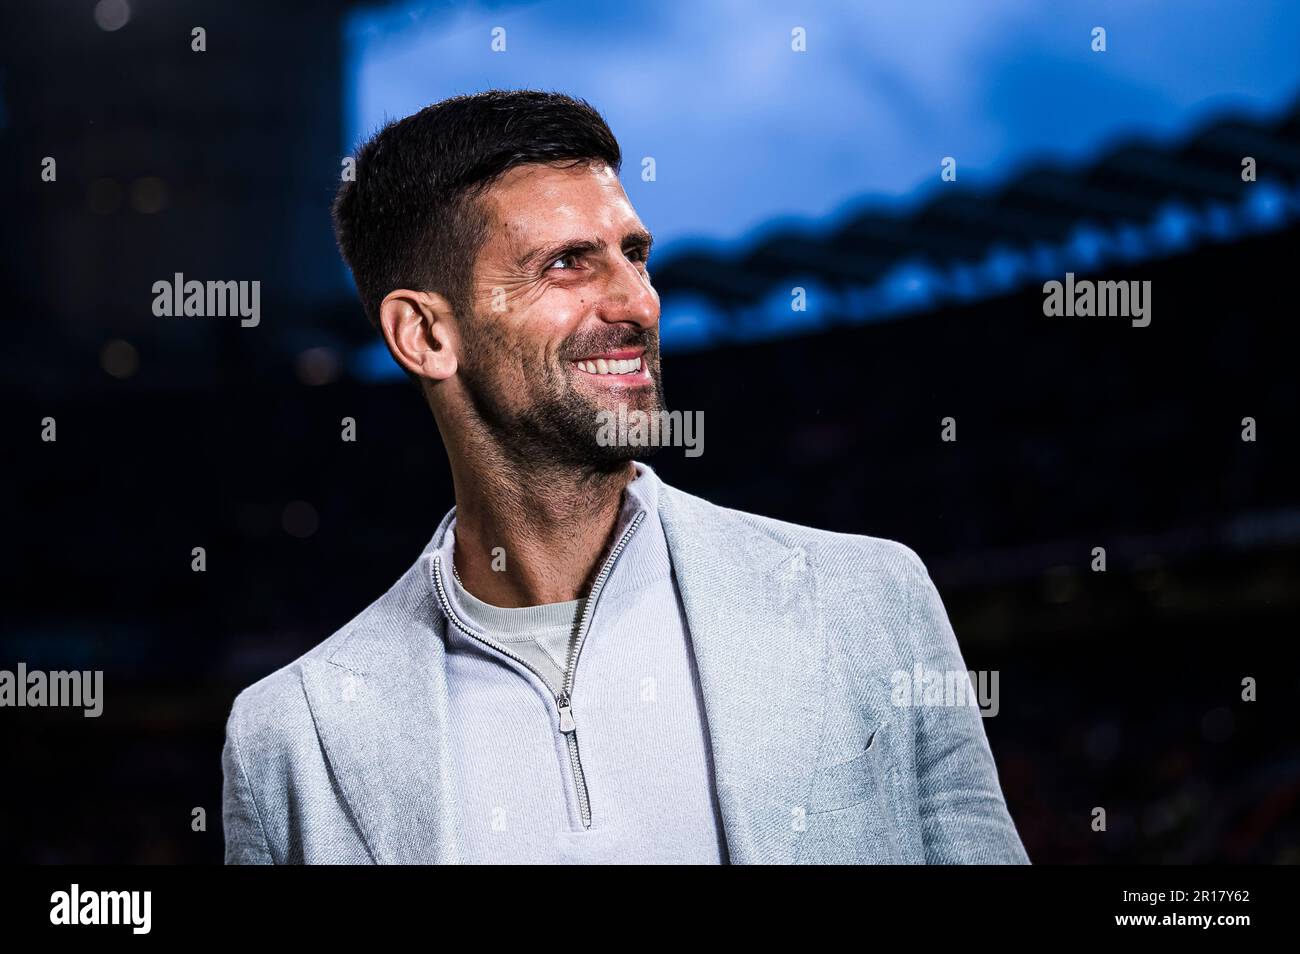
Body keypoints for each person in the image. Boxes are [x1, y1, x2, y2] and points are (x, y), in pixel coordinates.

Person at [221, 89, 1029, 864]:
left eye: (634, 255)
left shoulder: (870, 598)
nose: (639, 303)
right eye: (569, 263)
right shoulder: (292, 735)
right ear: (426, 332)